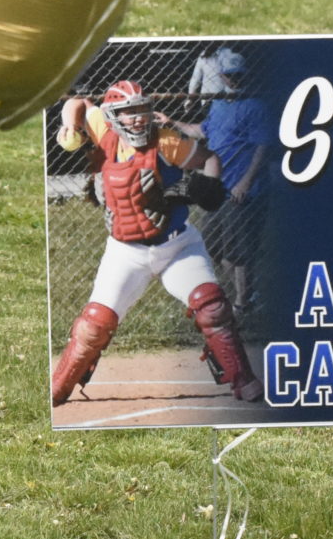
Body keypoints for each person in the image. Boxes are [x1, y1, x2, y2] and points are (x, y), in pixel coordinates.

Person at [51, 80, 260, 407]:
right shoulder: (102, 130)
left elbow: (209, 159)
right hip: (125, 253)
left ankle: (243, 380)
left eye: (141, 110)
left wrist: (208, 185)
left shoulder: (164, 141)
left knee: (213, 307)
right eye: (128, 112)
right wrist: (69, 125)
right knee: (93, 326)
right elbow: (77, 102)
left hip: (177, 247)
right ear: (113, 116)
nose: (137, 119)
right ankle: (58, 387)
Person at [190, 48, 272, 317]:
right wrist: (170, 122)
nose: (234, 80)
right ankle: (250, 293)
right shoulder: (217, 105)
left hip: (239, 188)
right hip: (217, 187)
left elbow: (261, 147)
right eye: (230, 75)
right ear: (223, 76)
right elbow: (201, 130)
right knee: (213, 247)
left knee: (237, 252)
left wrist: (246, 183)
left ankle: (241, 304)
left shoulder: (254, 106)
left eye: (239, 76)